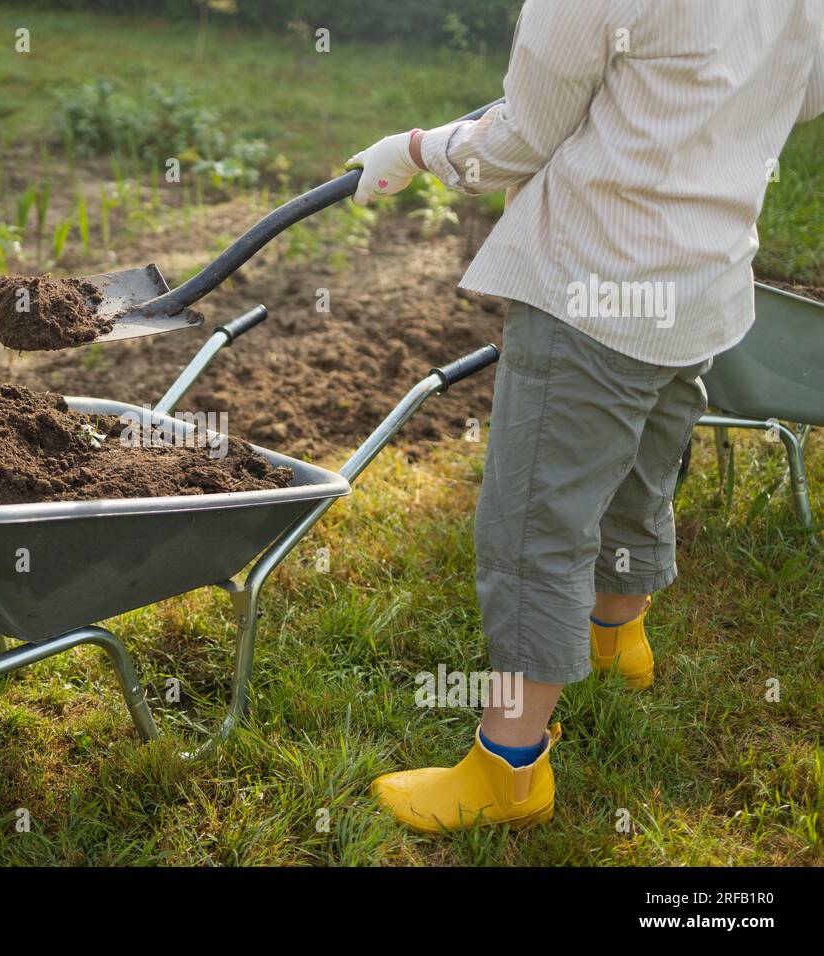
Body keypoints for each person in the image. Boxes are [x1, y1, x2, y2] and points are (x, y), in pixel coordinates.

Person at [345, 0, 824, 832]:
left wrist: (416, 150)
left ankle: (508, 769)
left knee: (535, 526)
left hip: (597, 286)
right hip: (704, 284)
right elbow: (803, 91)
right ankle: (618, 640)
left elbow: (519, 141)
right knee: (640, 470)